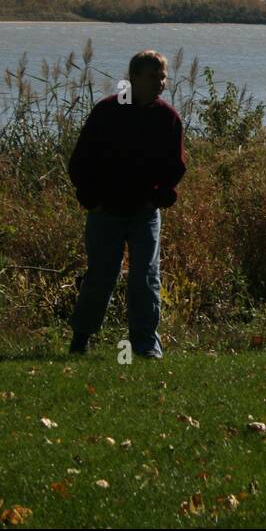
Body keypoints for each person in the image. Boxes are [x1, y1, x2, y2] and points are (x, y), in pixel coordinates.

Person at [67, 50, 186, 358]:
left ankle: (146, 347)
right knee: (100, 276)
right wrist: (91, 200)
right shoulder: (107, 111)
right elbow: (81, 161)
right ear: (133, 77)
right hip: (105, 211)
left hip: (145, 213)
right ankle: (81, 339)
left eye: (163, 76)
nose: (161, 83)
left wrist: (158, 197)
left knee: (146, 278)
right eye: (153, 77)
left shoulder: (168, 118)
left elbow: (175, 167)